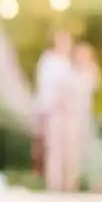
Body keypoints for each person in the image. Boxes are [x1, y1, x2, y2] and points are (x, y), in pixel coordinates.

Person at [35, 31, 75, 192]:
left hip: (69, 113)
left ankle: (69, 184)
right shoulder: (48, 62)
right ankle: (55, 185)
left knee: (69, 150)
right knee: (55, 150)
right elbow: (47, 90)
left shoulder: (68, 63)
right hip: (54, 112)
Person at [65, 42, 100, 192]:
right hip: (71, 116)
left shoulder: (92, 70)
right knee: (72, 151)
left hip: (85, 115)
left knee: (87, 150)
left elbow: (92, 88)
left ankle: (90, 182)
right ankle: (71, 184)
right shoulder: (70, 71)